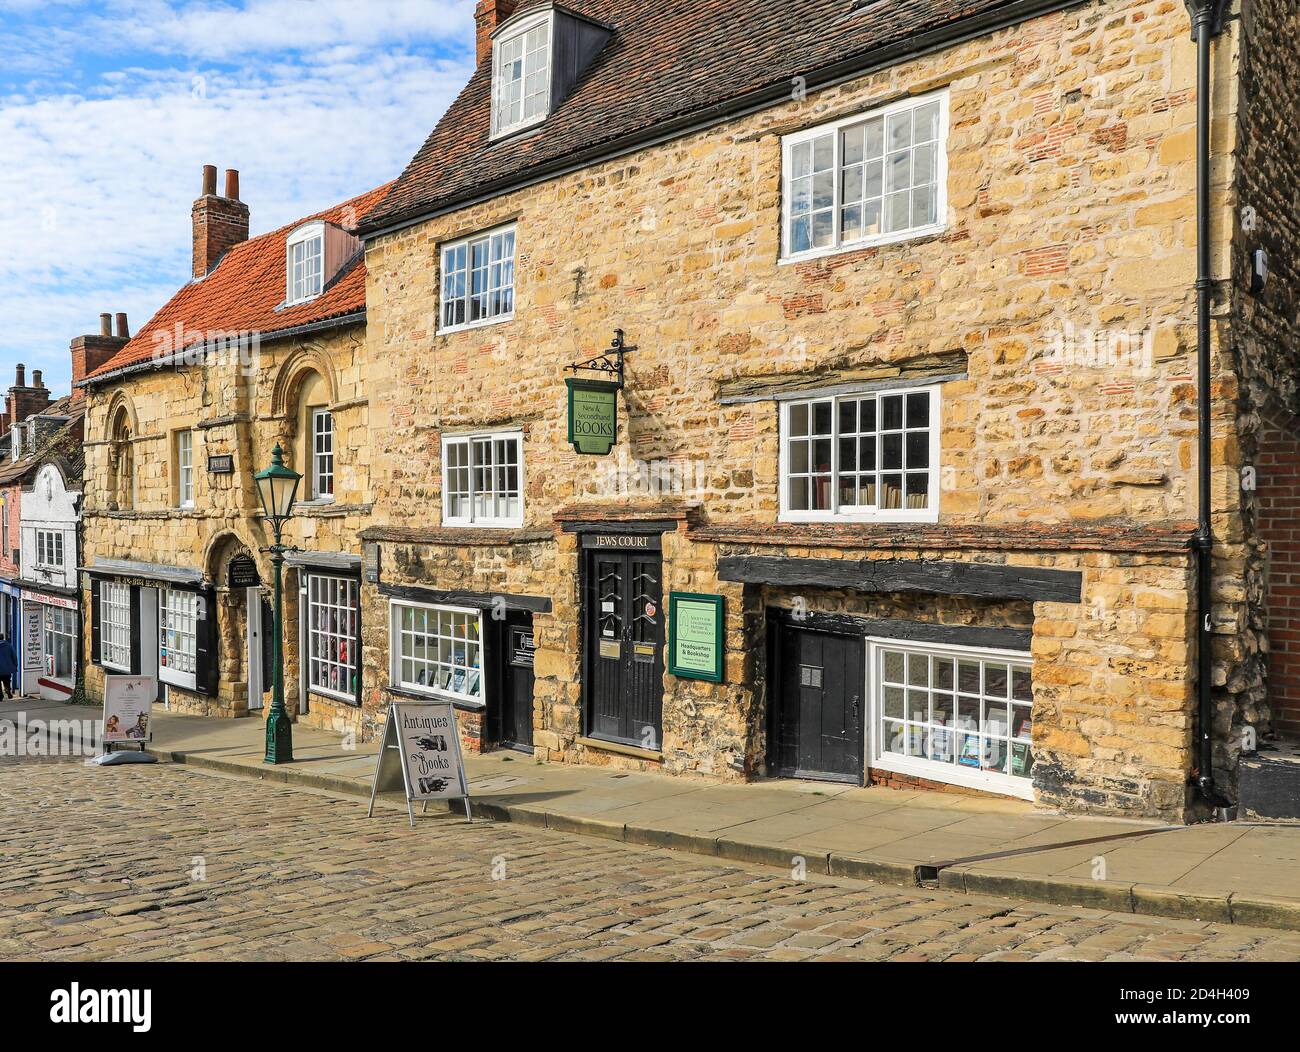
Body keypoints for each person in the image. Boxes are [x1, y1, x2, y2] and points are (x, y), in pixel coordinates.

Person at [0, 634, 16, 699]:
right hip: (7, 668)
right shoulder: (9, 645)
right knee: (7, 680)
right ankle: (7, 690)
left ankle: (0, 696)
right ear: (3, 638)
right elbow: (14, 656)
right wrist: (15, 665)